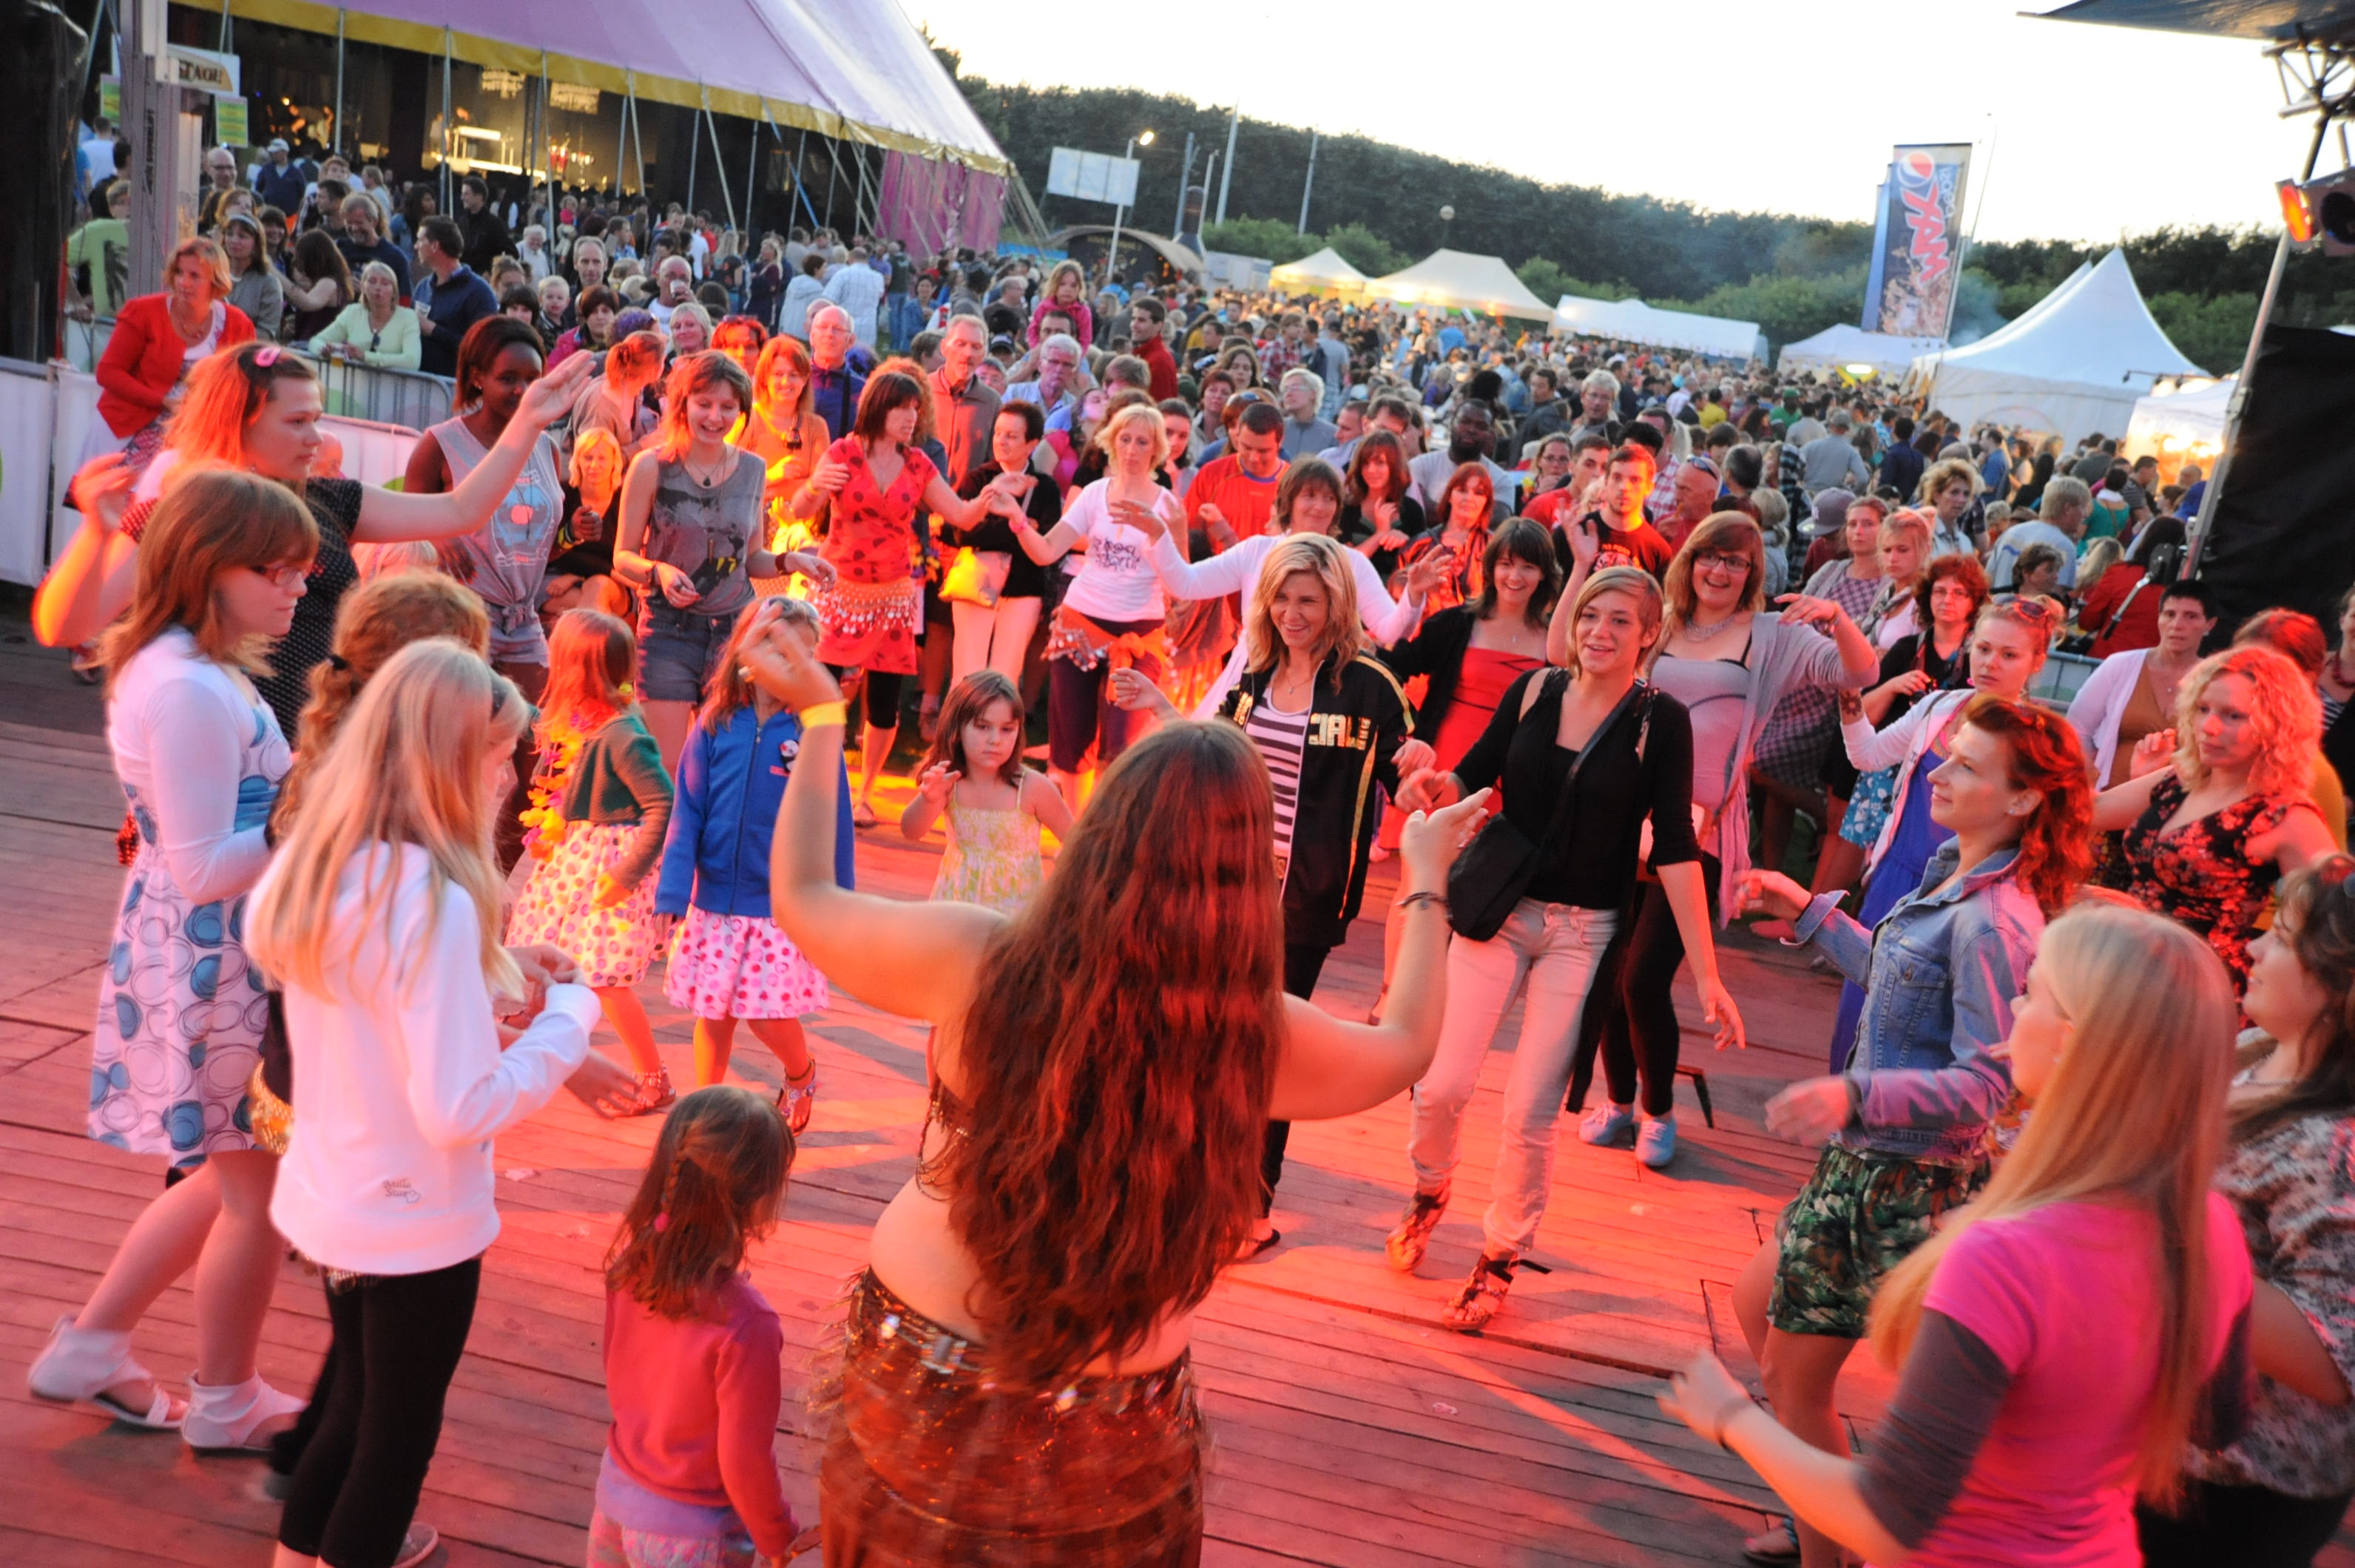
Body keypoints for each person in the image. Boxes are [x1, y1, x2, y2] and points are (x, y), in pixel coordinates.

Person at [740, 610, 1482, 1559]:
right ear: (1247, 864)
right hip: (1113, 1423)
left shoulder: (979, 955)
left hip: (919, 1360)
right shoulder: (1253, 1035)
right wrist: (1424, 878)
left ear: (1104, 831)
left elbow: (802, 897)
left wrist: (819, 720)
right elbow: (1408, 1043)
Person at [1665, 901, 2249, 1568]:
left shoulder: (2005, 1257)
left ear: (2069, 1044)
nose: (2013, 1012)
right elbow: (2216, 1421)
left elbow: (1892, 1520)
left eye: (2031, 994)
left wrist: (1732, 1418)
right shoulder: (2211, 1229)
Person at [1726, 693, 2095, 1568]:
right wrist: (1809, 909)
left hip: (1904, 1180)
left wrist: (1858, 1098)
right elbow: (1894, 976)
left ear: (2021, 800)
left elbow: (1988, 1083)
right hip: (1861, 1165)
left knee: (1793, 1378)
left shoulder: (1996, 923)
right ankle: (1826, 1503)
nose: (1938, 770)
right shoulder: (1946, 872)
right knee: (1757, 1315)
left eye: (1967, 765)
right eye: (1949, 753)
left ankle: (1832, 1539)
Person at [250, 641, 597, 1568]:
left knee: (351, 1409)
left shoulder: (324, 862)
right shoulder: (434, 899)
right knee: (393, 1445)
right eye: (496, 753)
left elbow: (371, 1000)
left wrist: (502, 972)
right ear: (446, 760)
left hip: (337, 1194)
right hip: (416, 1216)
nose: (508, 771)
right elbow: (456, 1105)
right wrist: (568, 1020)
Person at [27, 471, 314, 1451]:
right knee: (255, 1191)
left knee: (225, 1174)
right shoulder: (190, 686)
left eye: (300, 569)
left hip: (204, 953)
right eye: (274, 569)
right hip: (216, 956)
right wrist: (325, 819)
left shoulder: (184, 664)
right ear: (207, 566)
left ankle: (94, 1345)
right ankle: (227, 1400)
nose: (296, 588)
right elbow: (201, 868)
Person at [1390, 567, 1746, 1328]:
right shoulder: (1534, 691)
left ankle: (1499, 1254)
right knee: (1442, 1083)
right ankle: (1429, 1187)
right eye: (1590, 615)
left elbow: (1677, 848)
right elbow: (1472, 772)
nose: (1600, 632)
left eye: (1621, 620)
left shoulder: (1659, 721)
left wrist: (1708, 973)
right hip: (1499, 909)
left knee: (1528, 1109)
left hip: (1583, 934)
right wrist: (1433, 784)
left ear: (1649, 633)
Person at [1118, 535, 1432, 1253]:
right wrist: (1163, 705)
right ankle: (1196, 1184)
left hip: (1307, 895)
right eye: (1283, 598)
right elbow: (1212, 750)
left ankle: (1250, 1204)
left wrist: (1416, 774)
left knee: (1268, 1041)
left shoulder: (1369, 684)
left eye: (1308, 600)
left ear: (1334, 605)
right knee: (1207, 1031)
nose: (1293, 612)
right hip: (1226, 884)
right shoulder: (1256, 676)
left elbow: (1405, 771)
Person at [38, 342, 595, 740]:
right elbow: (65, 627)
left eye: (318, 418)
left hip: (319, 755)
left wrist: (527, 422)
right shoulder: (181, 518)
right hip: (225, 765)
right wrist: (95, 530)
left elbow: (459, 510)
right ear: (240, 422)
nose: (317, 437)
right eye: (298, 421)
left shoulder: (331, 500)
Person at [1568, 515, 1876, 1163]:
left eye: (1735, 562)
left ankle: (1657, 1111)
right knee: (1605, 970)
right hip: (1622, 821)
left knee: (1644, 979)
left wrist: (1838, 622)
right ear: (1691, 560)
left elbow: (1860, 674)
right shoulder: (1658, 624)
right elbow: (1567, 656)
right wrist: (1581, 572)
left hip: (1700, 831)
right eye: (1710, 556)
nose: (1720, 571)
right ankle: (1618, 1100)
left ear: (1751, 573)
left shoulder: (1770, 636)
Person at [2138, 858, 2355, 1564]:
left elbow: (2329, 1362)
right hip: (2163, 1441)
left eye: (2282, 938)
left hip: (2236, 1483)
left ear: (2340, 986)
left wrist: (2162, 1230)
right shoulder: (2260, 1048)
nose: (2255, 949)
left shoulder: (2336, 1145)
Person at [1827, 598, 2061, 1069]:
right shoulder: (1940, 706)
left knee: (1921, 1030)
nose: (1991, 663)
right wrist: (1849, 700)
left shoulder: (2032, 739)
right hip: (1896, 876)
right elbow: (1867, 756)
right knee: (1858, 1016)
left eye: (2009, 655)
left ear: (2038, 662)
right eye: (1984, 648)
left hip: (1967, 893)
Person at [596, 1087, 812, 1567]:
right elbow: (745, 1462)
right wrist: (779, 1539)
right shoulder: (747, 1325)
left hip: (616, 1497)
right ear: (758, 1196)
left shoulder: (629, 1267)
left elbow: (617, 1371)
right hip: (694, 1537)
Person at [792, 370, 1019, 823]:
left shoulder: (917, 463)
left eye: (917, 409)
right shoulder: (843, 452)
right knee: (821, 690)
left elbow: (958, 513)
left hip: (893, 593)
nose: (912, 418)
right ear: (880, 406)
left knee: (883, 700)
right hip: (840, 591)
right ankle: (812, 783)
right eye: (903, 408)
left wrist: (992, 495)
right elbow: (801, 509)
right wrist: (816, 482)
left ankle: (864, 792)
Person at [655, 598, 850, 1119]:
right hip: (715, 899)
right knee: (713, 1012)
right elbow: (688, 809)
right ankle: (702, 1107)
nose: (790, 665)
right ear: (748, 650)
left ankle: (801, 1076)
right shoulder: (716, 723)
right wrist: (673, 890)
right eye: (777, 648)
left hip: (778, 907)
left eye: (804, 656)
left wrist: (841, 906)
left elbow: (835, 821)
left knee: (766, 1015)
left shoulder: (813, 733)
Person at [615, 351, 834, 767]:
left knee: (721, 767)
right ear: (683, 405)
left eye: (728, 407)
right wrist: (657, 571)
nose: (715, 417)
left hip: (734, 632)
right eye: (705, 404)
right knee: (667, 771)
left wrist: (793, 561)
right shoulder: (652, 466)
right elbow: (622, 557)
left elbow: (751, 558)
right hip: (668, 632)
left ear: (742, 411)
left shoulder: (752, 469)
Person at [506, 610, 677, 1113]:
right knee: (551, 951)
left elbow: (661, 805)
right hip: (575, 856)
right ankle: (534, 1031)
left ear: (579, 671)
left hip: (608, 863)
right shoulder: (586, 720)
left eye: (560, 663)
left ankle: (653, 1076)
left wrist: (626, 876)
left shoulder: (622, 735)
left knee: (604, 978)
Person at [2099, 644, 2338, 997]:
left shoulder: (2285, 815)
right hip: (2123, 965)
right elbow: (2089, 811)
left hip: (2195, 993)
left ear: (2277, 725)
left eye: (2233, 716)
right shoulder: (2178, 780)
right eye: (2202, 709)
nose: (2208, 727)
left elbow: (2337, 923)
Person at [994, 402, 1186, 808]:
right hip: (1080, 624)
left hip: (1139, 634)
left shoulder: (1168, 506)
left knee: (1123, 747)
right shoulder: (1095, 493)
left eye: (1143, 441)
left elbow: (1180, 583)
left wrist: (1156, 534)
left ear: (1157, 450)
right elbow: (1047, 552)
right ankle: (1077, 834)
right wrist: (1016, 518)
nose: (1132, 449)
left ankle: (1107, 832)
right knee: (1073, 741)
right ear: (1112, 443)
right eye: (1125, 439)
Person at [1143, 458, 1428, 719]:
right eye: (1310, 496)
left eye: (1329, 498)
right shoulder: (1256, 551)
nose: (1319, 506)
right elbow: (1186, 584)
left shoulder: (1352, 564)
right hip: (1247, 684)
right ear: (1288, 502)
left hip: (1320, 691)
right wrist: (1159, 535)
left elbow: (1392, 630)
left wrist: (1413, 596)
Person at [1376, 519, 1558, 856]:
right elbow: (1394, 667)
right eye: (1505, 564)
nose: (1515, 577)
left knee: (1485, 879)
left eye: (1528, 566)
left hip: (1513, 770)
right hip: (1447, 762)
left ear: (1544, 574)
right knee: (1424, 879)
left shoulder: (1557, 641)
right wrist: (1405, 735)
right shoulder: (1457, 624)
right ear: (1490, 569)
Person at [901, 669, 1072, 914]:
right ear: (957, 729)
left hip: (1015, 915)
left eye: (1007, 729)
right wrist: (928, 800)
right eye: (983, 727)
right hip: (957, 906)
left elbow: (1077, 842)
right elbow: (911, 831)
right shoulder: (950, 782)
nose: (995, 740)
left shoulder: (1033, 788)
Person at [88, 236, 256, 465]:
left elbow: (247, 385)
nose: (183, 283)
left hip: (194, 437)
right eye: (179, 273)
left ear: (215, 282)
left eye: (194, 276)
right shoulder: (143, 312)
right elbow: (108, 373)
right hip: (126, 430)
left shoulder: (238, 324)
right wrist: (163, 401)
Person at [942, 401, 1061, 683]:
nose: (1001, 441)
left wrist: (993, 527)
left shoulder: (1044, 488)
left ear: (1032, 444)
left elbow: (1047, 542)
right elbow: (962, 533)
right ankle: (961, 727)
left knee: (1005, 675)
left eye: (1011, 436)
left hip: (1024, 591)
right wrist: (1021, 527)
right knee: (967, 672)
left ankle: (997, 727)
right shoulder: (979, 479)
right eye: (998, 433)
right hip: (976, 586)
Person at [2070, 581, 2222, 789]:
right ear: (2159, 618)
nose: (2177, 625)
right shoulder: (2120, 666)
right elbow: (2076, 729)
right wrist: (2086, 779)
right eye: (2169, 614)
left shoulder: (2215, 678)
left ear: (2210, 624)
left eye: (2191, 616)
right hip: (2110, 797)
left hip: (2176, 804)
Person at [410, 216, 500, 379]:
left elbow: (482, 350)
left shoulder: (478, 292)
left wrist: (434, 331)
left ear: (435, 246)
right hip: (418, 389)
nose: (416, 247)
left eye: (420, 241)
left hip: (456, 391)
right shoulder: (423, 288)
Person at [1337, 428, 1426, 584]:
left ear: (1394, 465)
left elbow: (1419, 566)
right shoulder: (1347, 508)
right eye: (1366, 463)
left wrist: (1408, 545)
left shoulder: (1412, 511)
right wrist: (1380, 534)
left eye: (1380, 463)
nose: (1371, 470)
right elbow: (1344, 564)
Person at [308, 260, 422, 370]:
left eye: (385, 283)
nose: (378, 288)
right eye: (372, 281)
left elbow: (412, 362)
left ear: (394, 291)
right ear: (362, 287)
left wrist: (365, 356)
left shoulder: (408, 317)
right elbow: (315, 341)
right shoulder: (352, 312)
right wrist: (324, 350)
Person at [218, 213, 285, 349]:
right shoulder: (216, 276)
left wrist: (231, 336)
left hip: (252, 356)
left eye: (242, 236)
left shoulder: (268, 283)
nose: (234, 240)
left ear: (256, 244)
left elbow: (268, 332)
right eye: (230, 234)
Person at [283, 230, 354, 345]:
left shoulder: (329, 282)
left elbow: (308, 303)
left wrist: (275, 273)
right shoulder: (317, 283)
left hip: (319, 348)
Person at [550, 284, 621, 369]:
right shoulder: (566, 343)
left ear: (615, 314)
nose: (600, 317)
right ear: (585, 316)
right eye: (594, 312)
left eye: (605, 311)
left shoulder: (626, 342)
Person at [1027, 259, 1094, 348]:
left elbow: (1085, 339)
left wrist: (1076, 356)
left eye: (1073, 286)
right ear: (1054, 285)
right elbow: (1032, 332)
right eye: (1062, 284)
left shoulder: (1082, 311)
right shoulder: (1044, 307)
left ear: (1080, 288)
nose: (1068, 289)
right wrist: (1037, 348)